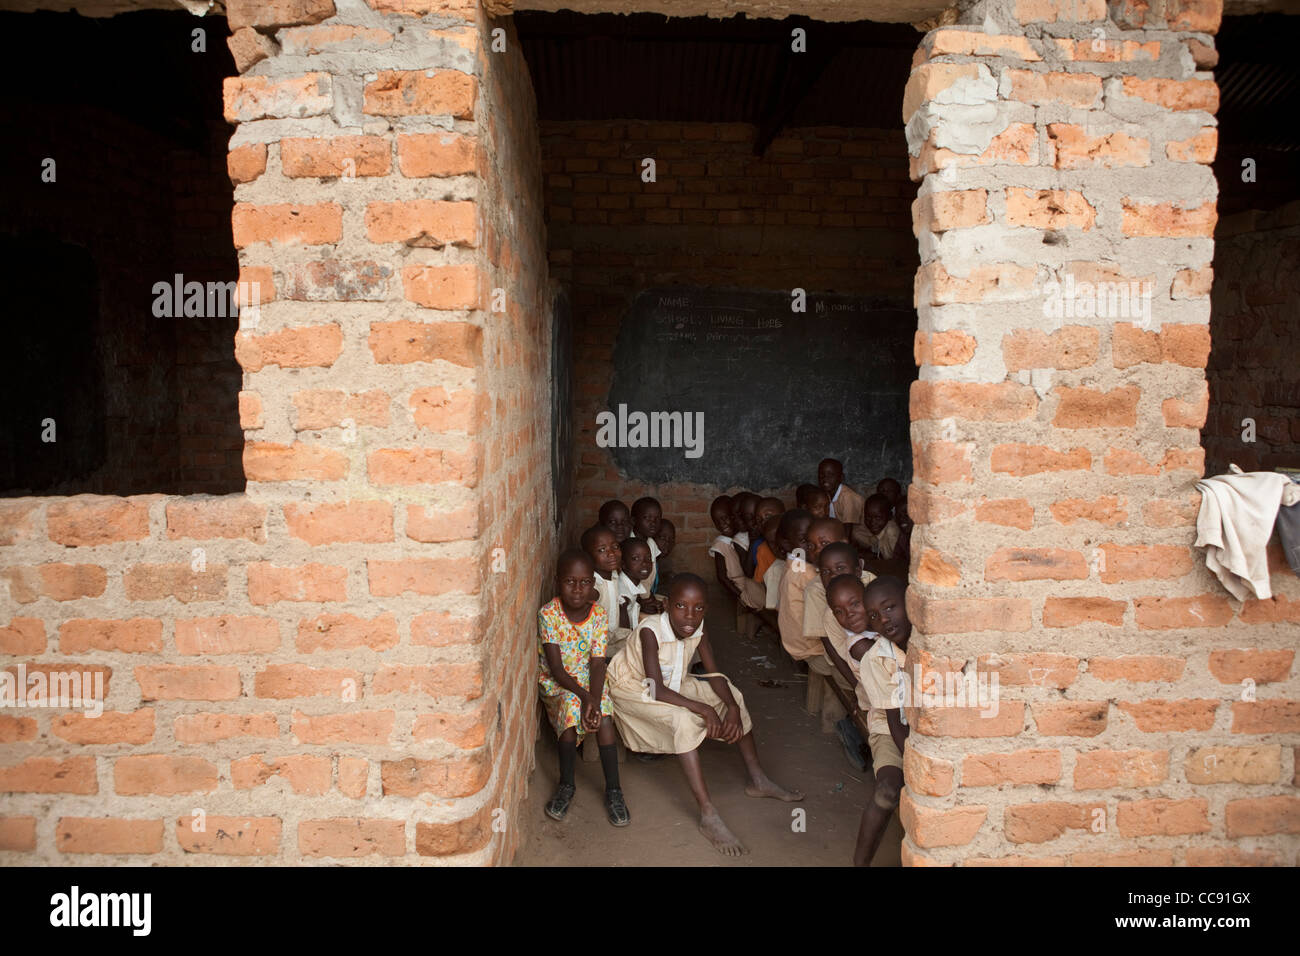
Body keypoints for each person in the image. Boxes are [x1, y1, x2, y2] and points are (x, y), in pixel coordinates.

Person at [606, 574, 802, 855]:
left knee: (733, 694)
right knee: (684, 720)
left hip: (674, 683)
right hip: (637, 689)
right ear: (667, 606)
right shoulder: (651, 631)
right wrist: (704, 708)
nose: (690, 615)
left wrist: (731, 707)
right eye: (681, 606)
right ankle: (708, 814)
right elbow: (656, 690)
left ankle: (758, 780)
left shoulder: (698, 629)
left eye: (698, 608)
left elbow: (714, 673)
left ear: (706, 609)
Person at [537, 549, 629, 826]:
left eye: (585, 582)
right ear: (557, 581)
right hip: (560, 682)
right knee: (570, 711)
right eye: (570, 581)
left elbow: (598, 663)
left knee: (604, 719)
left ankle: (614, 790)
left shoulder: (598, 615)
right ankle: (567, 785)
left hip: (590, 680)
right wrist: (586, 697)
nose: (578, 589)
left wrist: (595, 700)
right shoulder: (549, 614)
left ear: (593, 583)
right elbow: (556, 669)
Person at [853, 575, 911, 866]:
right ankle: (860, 862)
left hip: (924, 728)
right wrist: (914, 763)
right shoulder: (875, 660)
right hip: (891, 731)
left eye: (890, 608)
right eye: (874, 616)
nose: (884, 620)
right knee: (887, 791)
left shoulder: (933, 643)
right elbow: (894, 721)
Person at [707, 495, 765, 639]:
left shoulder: (741, 536)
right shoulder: (720, 543)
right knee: (760, 602)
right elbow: (721, 576)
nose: (724, 523)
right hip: (740, 585)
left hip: (748, 581)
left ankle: (755, 621)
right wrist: (740, 596)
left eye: (727, 517)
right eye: (718, 521)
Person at [581, 524, 627, 653]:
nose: (611, 553)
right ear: (588, 556)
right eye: (602, 550)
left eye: (615, 547)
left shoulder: (613, 574)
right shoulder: (594, 586)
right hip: (595, 645)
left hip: (613, 637)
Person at [851, 493, 902, 560]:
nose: (872, 522)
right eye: (868, 517)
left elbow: (897, 561)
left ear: (890, 516)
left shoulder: (891, 532)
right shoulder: (876, 527)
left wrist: (875, 556)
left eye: (878, 518)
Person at [630, 496, 664, 592]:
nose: (653, 523)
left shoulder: (651, 543)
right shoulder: (629, 545)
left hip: (647, 593)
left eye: (657, 519)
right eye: (647, 518)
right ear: (633, 520)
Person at [818, 457, 865, 527]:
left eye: (830, 475)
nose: (825, 478)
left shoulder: (848, 498)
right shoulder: (826, 494)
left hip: (860, 533)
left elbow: (848, 530)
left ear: (841, 477)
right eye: (821, 474)